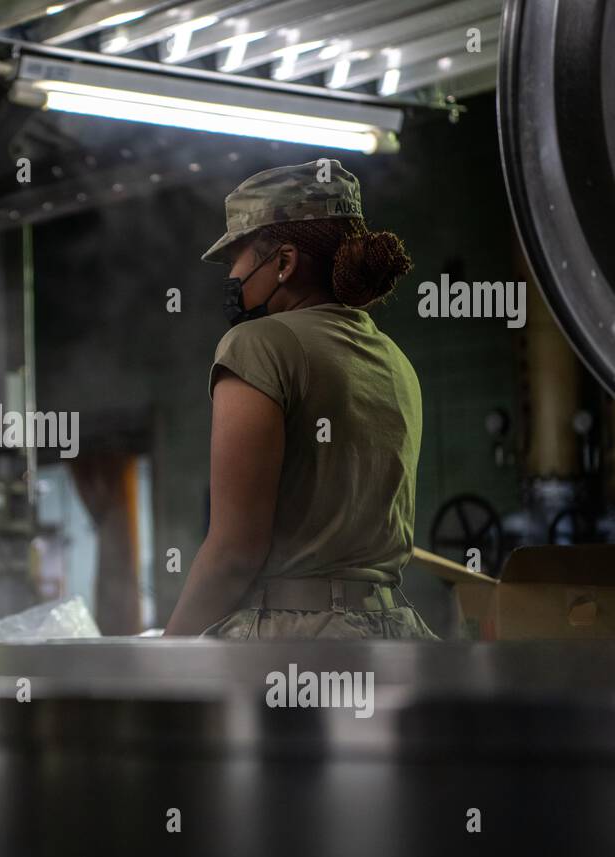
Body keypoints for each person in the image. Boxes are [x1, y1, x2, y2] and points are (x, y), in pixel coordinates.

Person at [165, 159, 438, 640]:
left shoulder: (258, 344)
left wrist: (170, 656)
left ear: (284, 263)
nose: (231, 275)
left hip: (294, 642)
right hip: (393, 633)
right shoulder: (394, 357)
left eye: (239, 258)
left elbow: (234, 552)